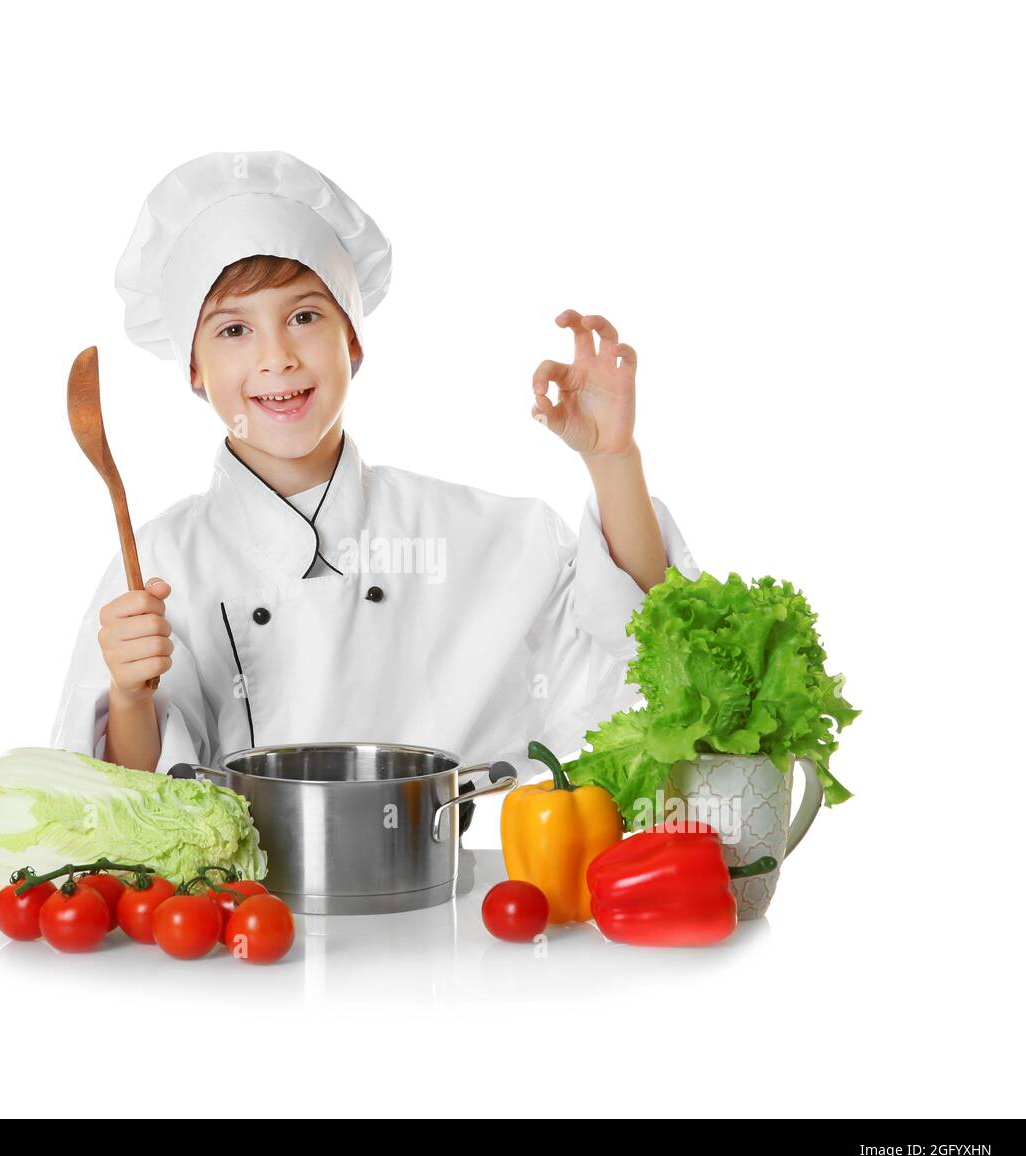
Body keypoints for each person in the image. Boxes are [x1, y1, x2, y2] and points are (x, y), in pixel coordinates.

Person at [50, 150, 700, 796]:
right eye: (233, 331)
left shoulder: (474, 536)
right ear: (194, 368)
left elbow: (643, 644)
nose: (276, 358)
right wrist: (130, 697)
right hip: (238, 902)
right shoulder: (163, 558)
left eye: (305, 317)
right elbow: (123, 808)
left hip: (437, 890)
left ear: (353, 339)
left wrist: (611, 459)